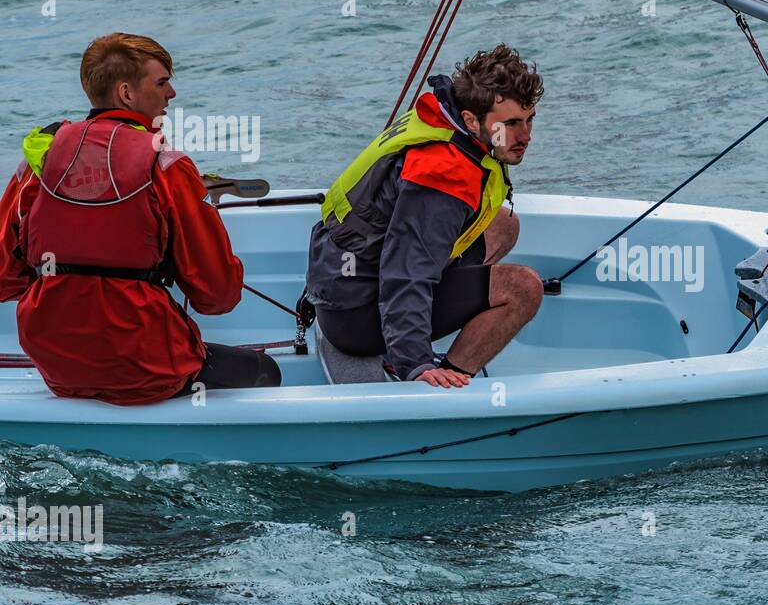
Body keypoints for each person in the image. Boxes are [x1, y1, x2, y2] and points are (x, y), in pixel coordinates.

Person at [0, 33, 280, 405]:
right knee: (266, 372)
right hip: (147, 367)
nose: (172, 94)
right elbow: (217, 294)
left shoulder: (40, 160)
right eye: (162, 82)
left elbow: (5, 278)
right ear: (127, 93)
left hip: (58, 366)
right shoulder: (167, 164)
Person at [307, 44, 545, 388]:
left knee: (504, 225)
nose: (526, 136)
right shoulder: (444, 174)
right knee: (523, 288)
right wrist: (415, 362)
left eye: (529, 119)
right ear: (470, 119)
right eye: (510, 124)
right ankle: (443, 384)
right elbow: (406, 271)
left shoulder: (444, 117)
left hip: (342, 277)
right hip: (356, 316)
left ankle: (420, 347)